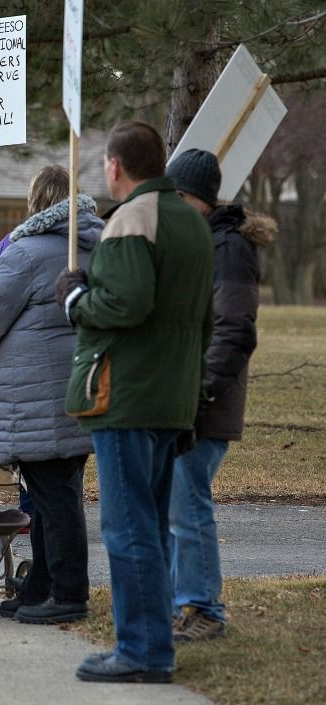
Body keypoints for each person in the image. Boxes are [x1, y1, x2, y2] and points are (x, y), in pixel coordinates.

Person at [55, 121, 214, 683]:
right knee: (151, 526)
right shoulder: (194, 225)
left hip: (125, 394)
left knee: (129, 530)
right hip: (172, 397)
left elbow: (125, 304)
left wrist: (76, 297)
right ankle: (150, 645)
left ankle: (143, 651)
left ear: (115, 167)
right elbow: (204, 321)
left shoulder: (131, 219)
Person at [0, 165, 102, 625]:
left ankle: (69, 592)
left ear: (36, 202)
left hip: (38, 393)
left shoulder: (26, 253)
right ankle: (41, 585)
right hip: (81, 385)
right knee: (51, 494)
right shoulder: (93, 247)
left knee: (53, 499)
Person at [165, 149, 274, 641]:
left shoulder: (228, 249)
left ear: (196, 199)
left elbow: (234, 332)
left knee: (189, 508)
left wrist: (199, 394)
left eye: (177, 197)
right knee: (176, 507)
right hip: (185, 397)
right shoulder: (202, 241)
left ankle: (205, 609)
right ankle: (178, 605)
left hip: (204, 403)